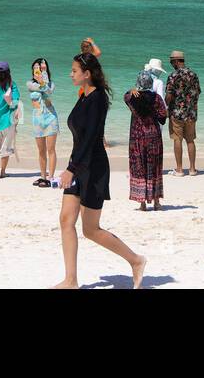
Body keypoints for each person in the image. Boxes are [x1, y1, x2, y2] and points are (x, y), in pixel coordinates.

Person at [53, 52, 147, 290]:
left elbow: (92, 137)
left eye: (75, 70)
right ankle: (71, 280)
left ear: (87, 74)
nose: (71, 74)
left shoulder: (98, 99)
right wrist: (72, 166)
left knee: (90, 230)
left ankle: (136, 261)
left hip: (93, 168)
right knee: (66, 220)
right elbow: (79, 137)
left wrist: (71, 169)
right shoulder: (83, 97)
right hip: (78, 164)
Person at [126, 71, 167, 210]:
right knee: (154, 168)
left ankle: (142, 204)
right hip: (153, 136)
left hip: (137, 137)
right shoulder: (156, 98)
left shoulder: (130, 97)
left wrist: (132, 90)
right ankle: (156, 202)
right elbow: (163, 117)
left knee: (139, 167)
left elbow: (125, 96)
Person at [165, 49, 200, 177]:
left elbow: (169, 95)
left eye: (171, 62)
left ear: (175, 61)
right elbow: (197, 93)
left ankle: (179, 169)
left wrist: (166, 105)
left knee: (177, 139)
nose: (171, 64)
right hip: (191, 113)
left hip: (177, 113)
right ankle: (192, 169)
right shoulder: (193, 74)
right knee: (190, 140)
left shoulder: (173, 76)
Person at [28, 58, 58, 187]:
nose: (37, 70)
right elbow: (41, 88)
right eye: (35, 68)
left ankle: (50, 178)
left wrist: (44, 76)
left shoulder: (51, 84)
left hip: (50, 118)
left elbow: (48, 91)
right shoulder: (30, 83)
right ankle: (42, 176)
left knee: (51, 149)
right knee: (41, 150)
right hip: (38, 120)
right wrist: (41, 81)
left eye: (40, 68)